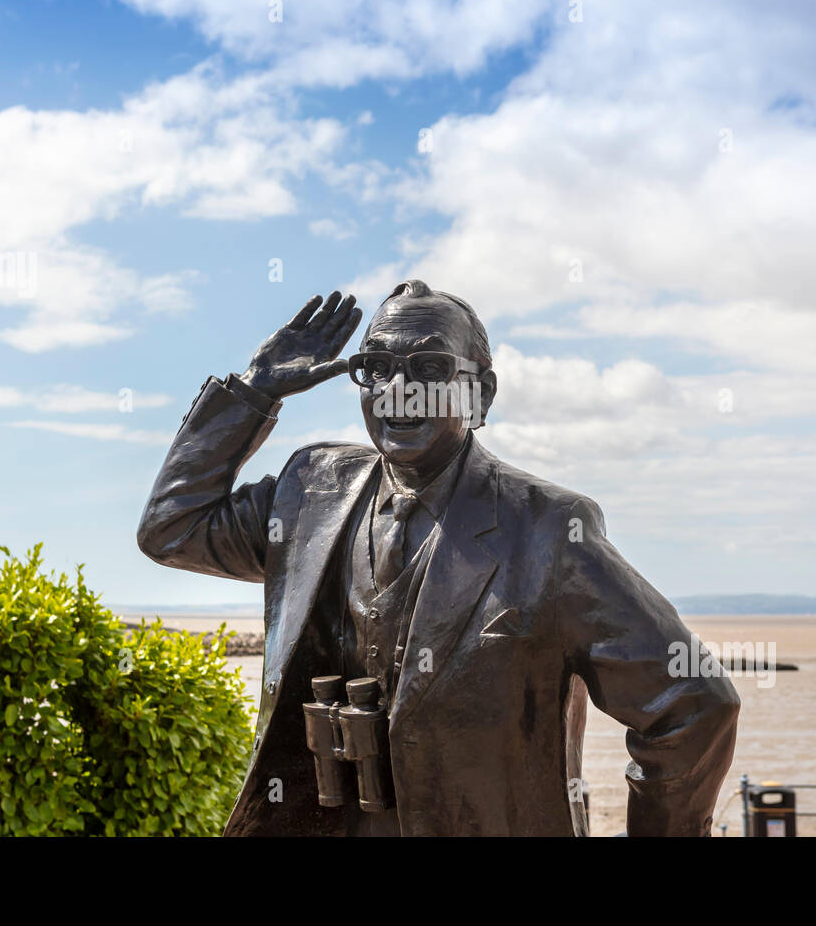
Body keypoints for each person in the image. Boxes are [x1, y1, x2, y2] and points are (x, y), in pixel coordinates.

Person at [137, 280, 740, 835]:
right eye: (376, 368)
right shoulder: (307, 492)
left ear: (480, 392)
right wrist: (252, 391)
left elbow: (691, 705)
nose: (400, 391)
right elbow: (172, 528)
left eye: (428, 368)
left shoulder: (549, 531)